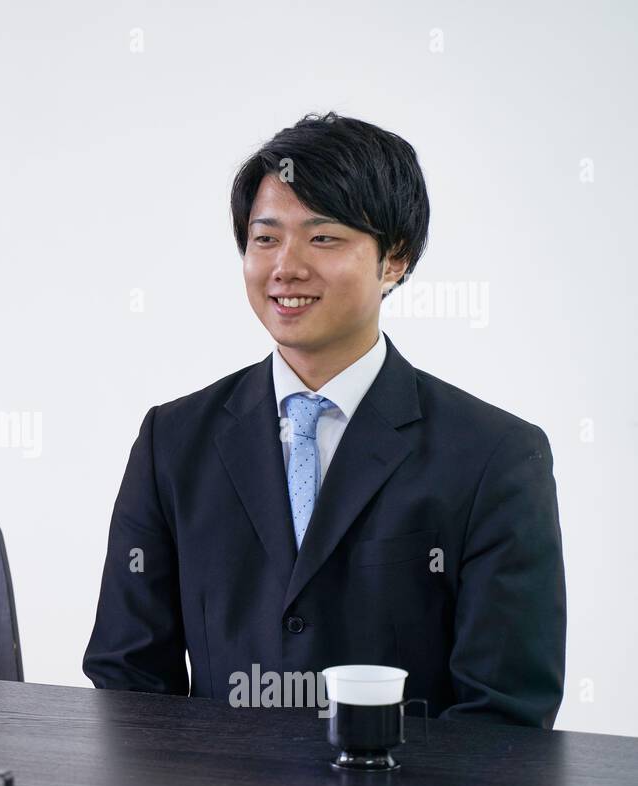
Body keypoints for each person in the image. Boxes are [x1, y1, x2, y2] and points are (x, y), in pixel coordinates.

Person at [84, 113, 566, 728]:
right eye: (265, 238)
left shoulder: (496, 456)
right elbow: (127, 679)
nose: (286, 266)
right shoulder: (172, 442)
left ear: (395, 260)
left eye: (323, 237)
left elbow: (504, 715)